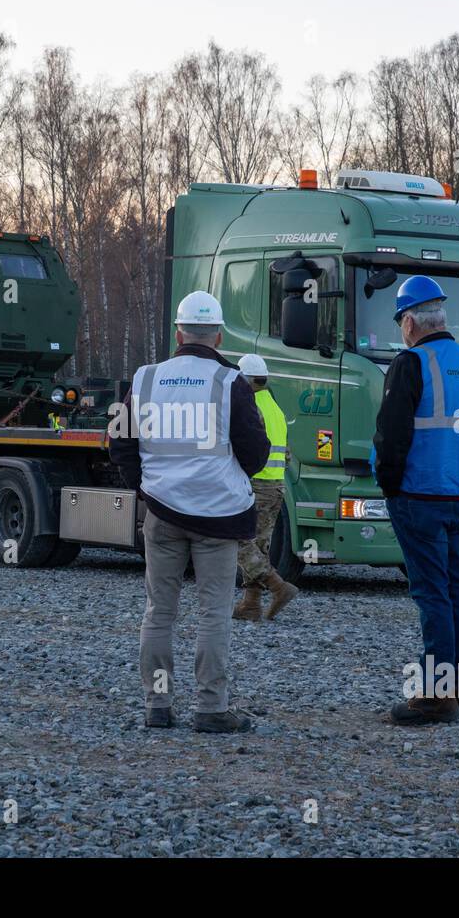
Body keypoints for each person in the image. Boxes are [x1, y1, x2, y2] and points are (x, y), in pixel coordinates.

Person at [109, 290, 270, 734]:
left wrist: (145, 488)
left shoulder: (144, 380)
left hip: (162, 514)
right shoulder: (229, 382)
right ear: (217, 335)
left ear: (178, 333)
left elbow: (120, 443)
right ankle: (210, 708)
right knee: (213, 613)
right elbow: (255, 453)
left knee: (159, 611)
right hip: (218, 517)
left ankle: (157, 706)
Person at [374, 275, 459, 725]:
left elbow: (391, 436)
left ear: (409, 322)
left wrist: (388, 486)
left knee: (431, 594)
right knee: (455, 588)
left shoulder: (410, 363)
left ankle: (437, 697)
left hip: (417, 494)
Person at [231, 353, 298, 622]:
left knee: (237, 540)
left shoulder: (251, 406)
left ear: (245, 380)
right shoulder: (273, 406)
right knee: (258, 545)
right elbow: (287, 453)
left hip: (257, 484)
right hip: (277, 484)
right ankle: (251, 604)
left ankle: (279, 587)